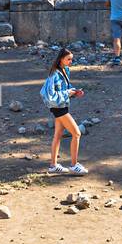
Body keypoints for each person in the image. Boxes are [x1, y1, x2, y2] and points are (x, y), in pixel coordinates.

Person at [41, 47, 88, 176]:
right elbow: (52, 94)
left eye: (72, 59)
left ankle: (53, 165)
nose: (71, 62)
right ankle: (74, 165)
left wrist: (74, 92)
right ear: (61, 59)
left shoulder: (65, 70)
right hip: (59, 109)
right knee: (77, 134)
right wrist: (68, 93)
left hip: (62, 106)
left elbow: (65, 89)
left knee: (57, 136)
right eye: (68, 59)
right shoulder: (54, 74)